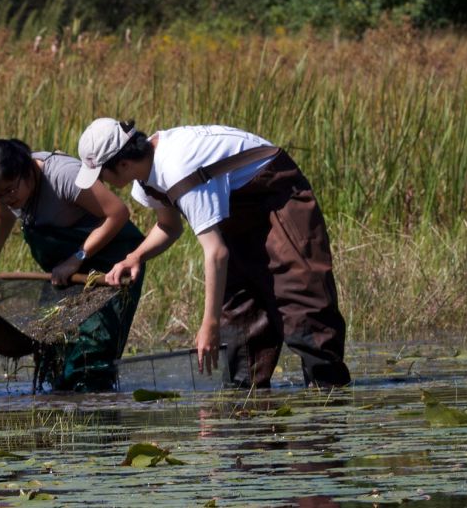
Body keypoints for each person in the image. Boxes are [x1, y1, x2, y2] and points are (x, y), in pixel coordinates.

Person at [73, 118, 351, 389]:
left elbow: (216, 252)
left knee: (301, 300)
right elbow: (169, 227)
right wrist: (136, 256)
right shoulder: (145, 178)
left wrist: (210, 323)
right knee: (241, 317)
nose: (103, 183)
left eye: (103, 175)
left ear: (122, 163)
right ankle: (246, 410)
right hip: (236, 215)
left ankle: (328, 396)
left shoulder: (177, 167)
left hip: (276, 198)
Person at [0, 139, 146, 391]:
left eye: (10, 191)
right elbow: (2, 216)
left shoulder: (64, 176)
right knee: (51, 343)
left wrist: (76, 259)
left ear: (27, 170)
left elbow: (117, 213)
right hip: (65, 272)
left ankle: (98, 416)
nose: (7, 199)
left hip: (111, 265)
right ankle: (62, 411)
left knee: (92, 349)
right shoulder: (9, 190)